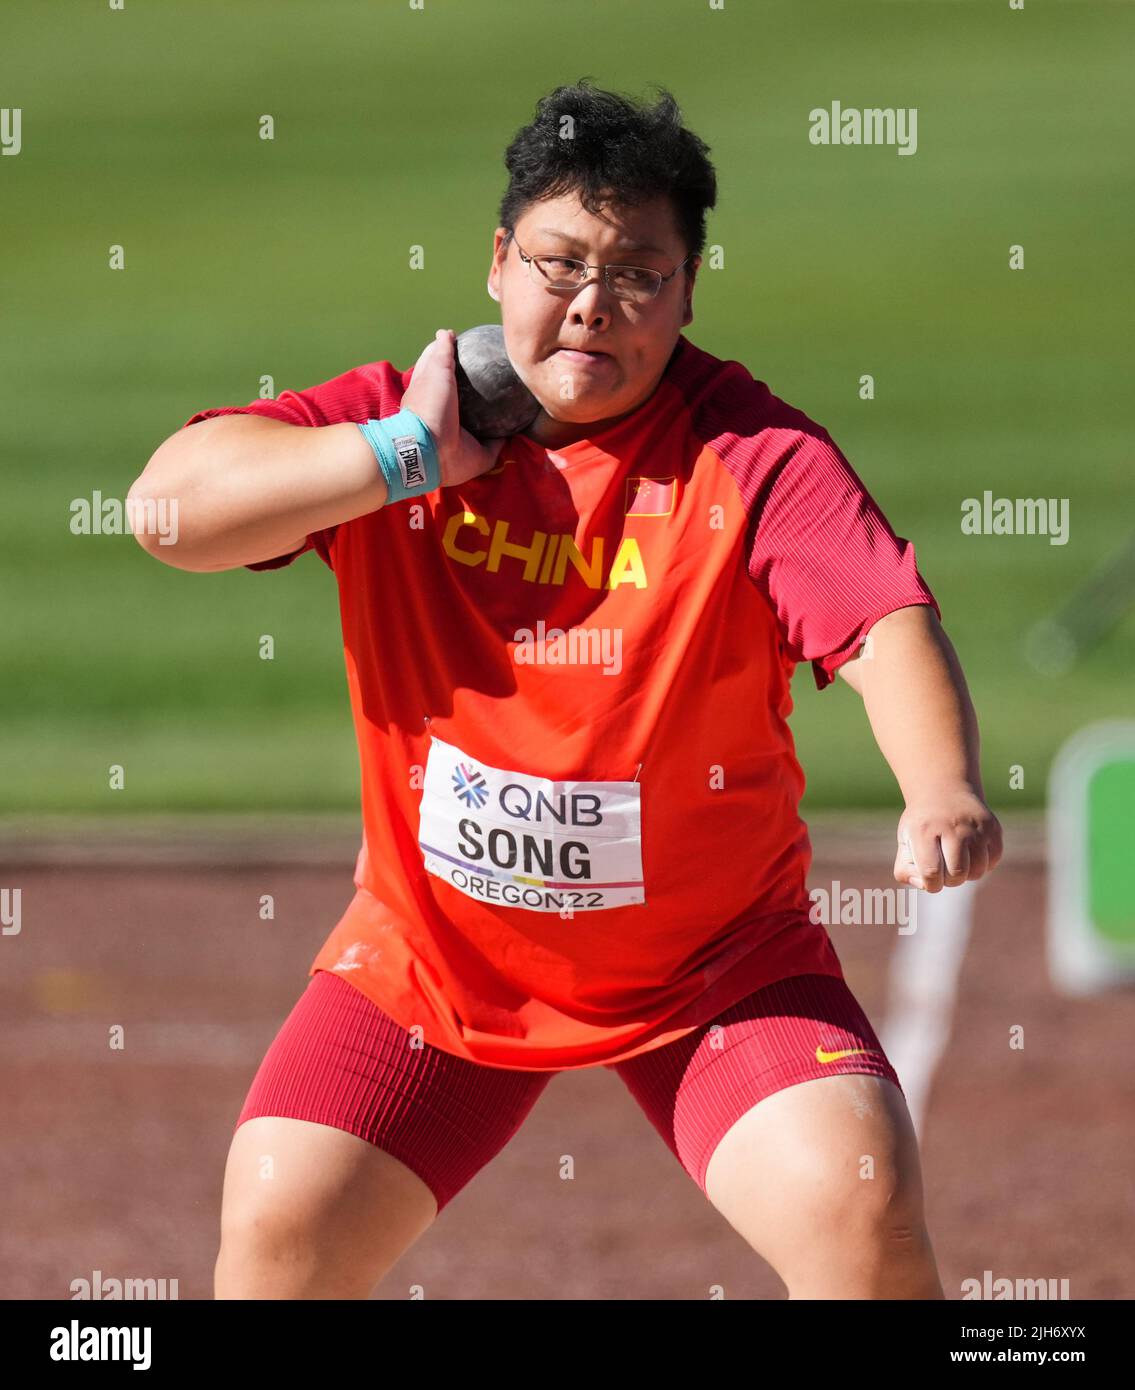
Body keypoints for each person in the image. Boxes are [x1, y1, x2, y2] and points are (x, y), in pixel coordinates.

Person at [129, 80, 1002, 1301]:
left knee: (859, 1207)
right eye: (559, 263)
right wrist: (402, 456)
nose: (593, 303)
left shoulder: (751, 456)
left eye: (639, 274)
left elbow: (880, 621)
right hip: (435, 962)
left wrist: (940, 786)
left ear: (688, 293)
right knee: (283, 1226)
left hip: (710, 966)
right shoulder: (404, 420)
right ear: (498, 262)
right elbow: (167, 513)